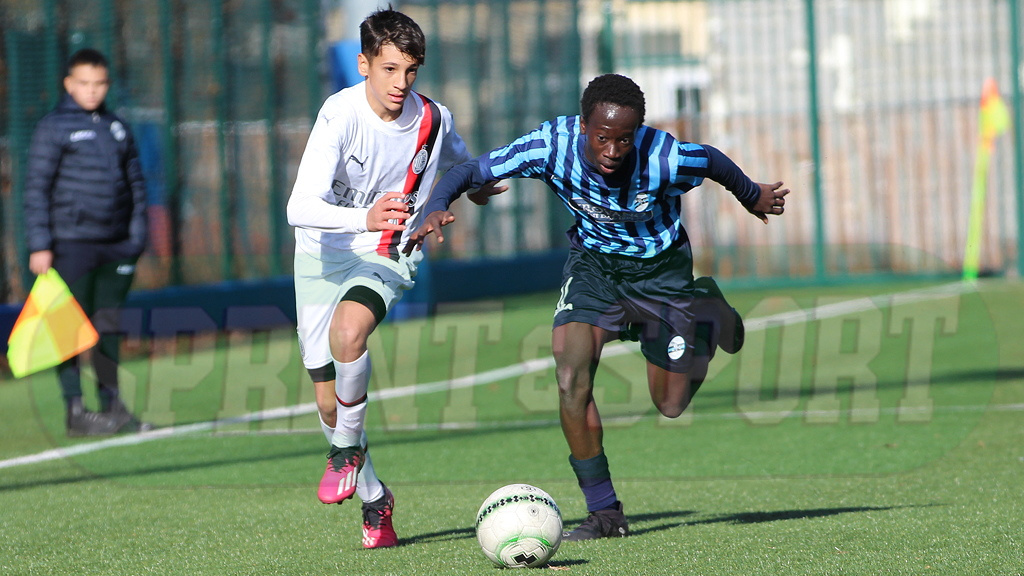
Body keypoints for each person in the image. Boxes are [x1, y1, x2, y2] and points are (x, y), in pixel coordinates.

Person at [406, 74, 790, 540]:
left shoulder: (664, 156)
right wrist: (437, 204)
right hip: (594, 270)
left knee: (669, 404)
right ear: (583, 124)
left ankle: (705, 312)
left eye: (623, 139)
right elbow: (473, 171)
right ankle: (605, 513)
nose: (612, 150)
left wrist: (751, 194)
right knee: (570, 374)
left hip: (661, 277)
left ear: (638, 132)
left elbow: (710, 160)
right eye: (602, 137)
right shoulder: (551, 144)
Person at [286, 7, 503, 549]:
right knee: (328, 404)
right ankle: (375, 498)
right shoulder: (338, 115)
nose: (400, 83)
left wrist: (469, 189)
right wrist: (362, 215)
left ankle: (345, 452)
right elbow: (298, 207)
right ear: (363, 64)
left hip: (389, 247)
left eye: (410, 71)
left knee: (348, 333)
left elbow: (458, 162)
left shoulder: (433, 118)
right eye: (388, 70)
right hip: (319, 253)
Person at [24, 48, 152, 437]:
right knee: (66, 329)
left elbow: (136, 185)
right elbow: (36, 188)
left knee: (107, 327)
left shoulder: (117, 126)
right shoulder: (53, 127)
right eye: (84, 83)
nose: (92, 91)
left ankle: (113, 407)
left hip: (115, 246)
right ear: (68, 84)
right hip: (69, 244)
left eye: (99, 83)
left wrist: (136, 237)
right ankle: (75, 410)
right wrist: (40, 243)